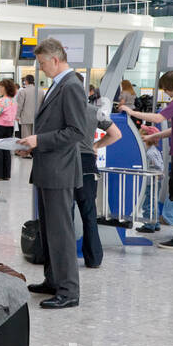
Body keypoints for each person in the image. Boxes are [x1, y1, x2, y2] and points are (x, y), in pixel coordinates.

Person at [17, 40, 85, 308]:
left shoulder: (70, 87)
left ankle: (69, 291)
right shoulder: (58, 85)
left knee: (61, 233)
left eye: (43, 63)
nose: (41, 68)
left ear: (55, 59)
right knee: (48, 231)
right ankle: (53, 279)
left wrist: (39, 141)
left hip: (60, 171)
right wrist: (31, 146)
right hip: (48, 168)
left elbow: (77, 132)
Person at [123, 71, 173, 250]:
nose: (166, 93)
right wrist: (156, 135)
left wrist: (132, 112)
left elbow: (158, 118)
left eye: (166, 89)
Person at [71, 79, 121, 268]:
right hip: (87, 165)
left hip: (67, 164)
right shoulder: (94, 111)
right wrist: (96, 145)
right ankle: (94, 258)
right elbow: (116, 134)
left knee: (65, 214)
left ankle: (65, 258)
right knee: (89, 213)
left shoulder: (63, 110)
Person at [17, 74, 43, 157]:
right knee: (35, 136)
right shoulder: (40, 90)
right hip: (37, 117)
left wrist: (17, 116)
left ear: (26, 81)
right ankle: (35, 152)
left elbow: (20, 105)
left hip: (26, 117)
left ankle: (26, 153)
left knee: (26, 136)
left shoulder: (23, 91)